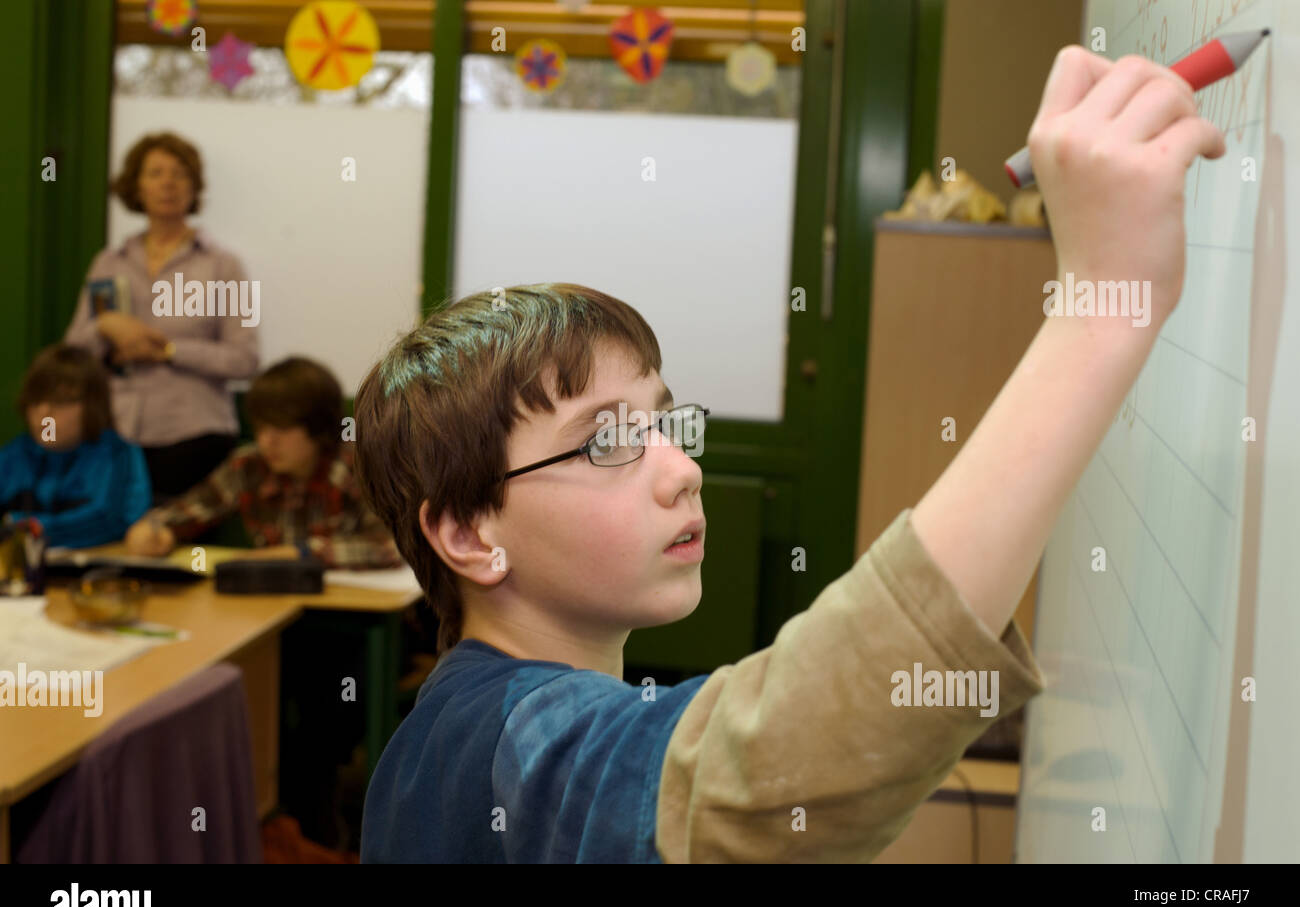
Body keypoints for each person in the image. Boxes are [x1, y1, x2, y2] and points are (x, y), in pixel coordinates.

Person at [353, 47, 1226, 862]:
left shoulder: (452, 724)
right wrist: (1106, 304)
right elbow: (780, 763)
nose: (681, 469)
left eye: (665, 422)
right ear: (468, 532)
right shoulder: (508, 737)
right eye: (607, 439)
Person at [63, 131, 259, 502]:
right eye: (155, 173)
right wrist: (106, 327)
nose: (167, 183)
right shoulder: (109, 262)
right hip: (117, 434)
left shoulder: (224, 264)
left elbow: (246, 358)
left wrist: (169, 350)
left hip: (196, 437)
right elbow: (74, 350)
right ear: (135, 186)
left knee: (182, 554)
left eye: (179, 173)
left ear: (194, 187)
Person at [122, 356, 400, 569]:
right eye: (261, 428)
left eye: (281, 428)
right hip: (273, 607)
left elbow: (389, 546)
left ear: (318, 427)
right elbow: (191, 509)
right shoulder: (250, 464)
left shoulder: (355, 466)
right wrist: (155, 529)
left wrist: (303, 553)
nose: (267, 441)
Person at [0, 345, 150, 548]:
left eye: (60, 401)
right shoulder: (14, 455)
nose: (44, 411)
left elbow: (106, 519)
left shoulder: (116, 454)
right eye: (36, 400)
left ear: (92, 406)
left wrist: (20, 529)